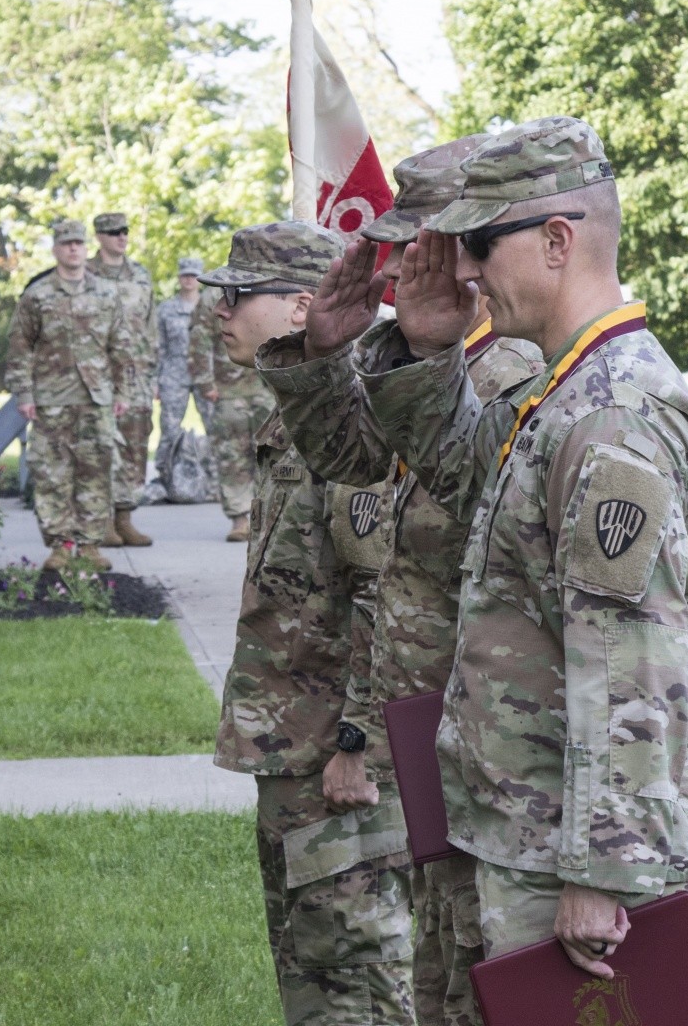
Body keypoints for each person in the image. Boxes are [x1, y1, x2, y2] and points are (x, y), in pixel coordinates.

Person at [310, 116, 688, 976]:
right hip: (533, 825)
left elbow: (630, 660)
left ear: (556, 240)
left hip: (571, 856)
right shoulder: (566, 393)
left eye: (479, 242)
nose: (465, 269)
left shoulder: (612, 417)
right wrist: (432, 348)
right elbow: (462, 480)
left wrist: (604, 874)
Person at [256, 136, 543, 1026]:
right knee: (440, 969)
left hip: (495, 728)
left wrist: (357, 738)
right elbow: (351, 466)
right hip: (429, 724)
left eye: (405, 247)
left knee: (488, 973)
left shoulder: (515, 369)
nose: (383, 268)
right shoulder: (417, 357)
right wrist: (323, 358)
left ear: (459, 250)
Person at [201, 220, 418, 1026]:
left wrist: (359, 746)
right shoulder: (290, 418)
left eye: (235, 294)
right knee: (308, 966)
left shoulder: (347, 425)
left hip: (337, 755)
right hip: (295, 745)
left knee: (354, 973)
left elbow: (383, 591)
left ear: (302, 307)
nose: (218, 310)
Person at [5, 219, 134, 572]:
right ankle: (61, 544)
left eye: (78, 242)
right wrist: (24, 393)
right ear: (56, 249)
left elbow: (120, 346)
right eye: (66, 243)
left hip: (97, 399)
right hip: (51, 399)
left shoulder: (107, 294)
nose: (73, 248)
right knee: (51, 473)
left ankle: (91, 544)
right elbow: (20, 348)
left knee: (96, 470)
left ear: (85, 247)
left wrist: (123, 390)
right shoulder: (38, 295)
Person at [189, 259, 278, 542]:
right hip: (228, 390)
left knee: (270, 454)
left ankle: (268, 515)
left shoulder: (263, 292)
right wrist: (205, 382)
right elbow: (199, 342)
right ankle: (239, 519)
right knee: (232, 457)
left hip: (265, 388)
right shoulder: (209, 300)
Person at [91, 212, 156, 547]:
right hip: (99, 376)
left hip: (137, 376)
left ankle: (125, 518)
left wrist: (152, 373)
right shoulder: (85, 274)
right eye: (114, 232)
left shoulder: (140, 274)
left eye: (125, 231)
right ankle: (101, 520)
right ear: (99, 236)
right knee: (102, 445)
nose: (121, 237)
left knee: (135, 447)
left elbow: (150, 326)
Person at [156, 255, 207, 456]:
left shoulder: (211, 308)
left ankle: (215, 482)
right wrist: (156, 380)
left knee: (216, 429)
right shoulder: (166, 309)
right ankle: (165, 478)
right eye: (185, 275)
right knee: (169, 430)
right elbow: (159, 346)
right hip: (173, 374)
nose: (189, 279)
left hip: (205, 374)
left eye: (194, 275)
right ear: (179, 278)